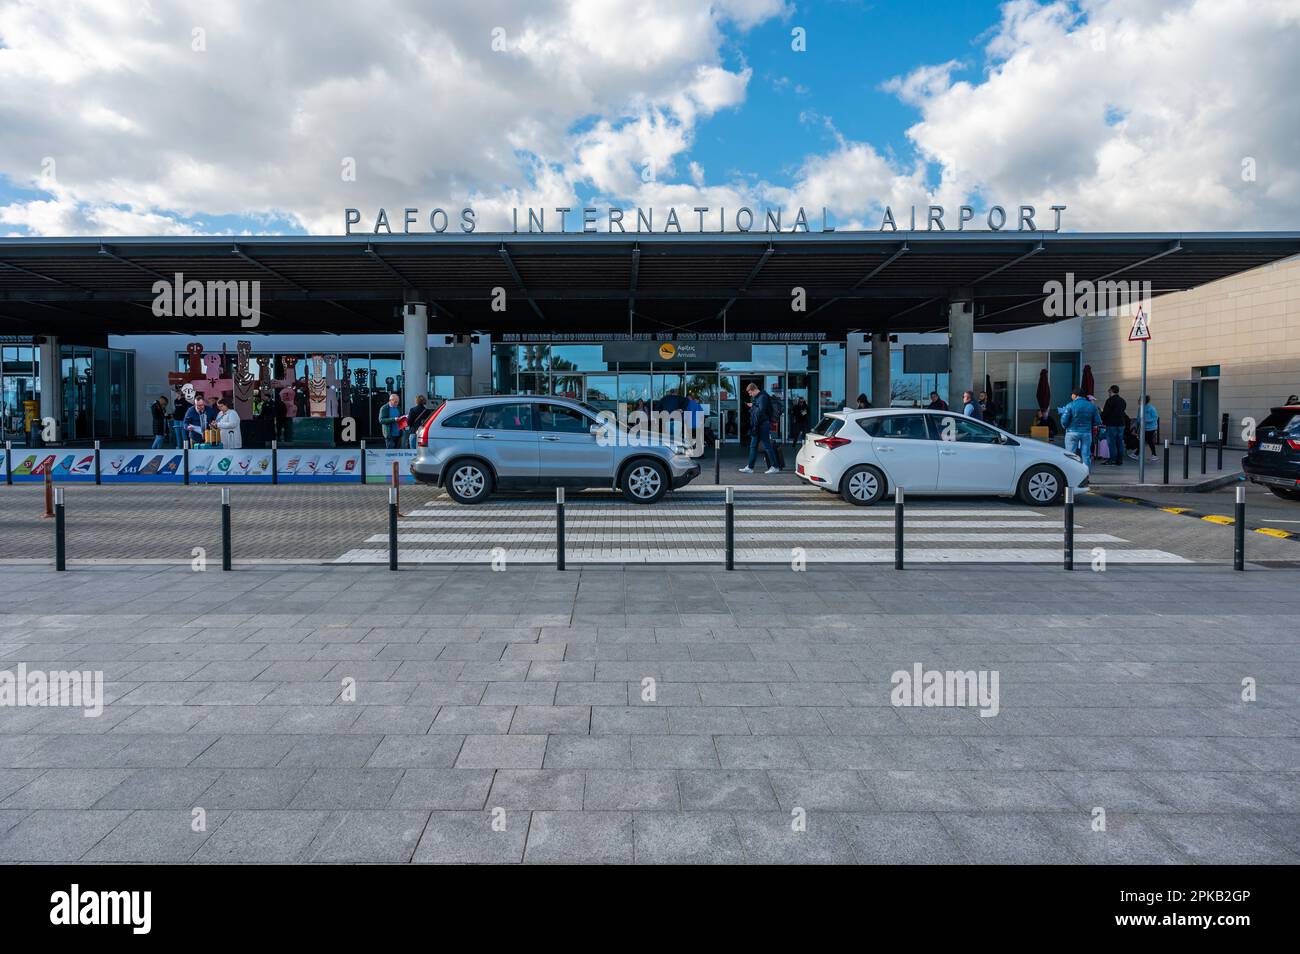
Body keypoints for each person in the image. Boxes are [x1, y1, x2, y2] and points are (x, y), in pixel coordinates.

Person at [738, 381, 779, 474]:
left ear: (754, 389)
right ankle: (750, 467)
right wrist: (753, 405)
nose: (750, 394)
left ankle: (775, 466)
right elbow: (758, 409)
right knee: (753, 446)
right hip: (756, 426)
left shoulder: (763, 397)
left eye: (750, 392)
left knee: (767, 446)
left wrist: (753, 406)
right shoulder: (758, 398)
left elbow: (761, 411)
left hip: (763, 425)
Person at [1060, 387, 1101, 465]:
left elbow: (1064, 421)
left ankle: (1071, 472)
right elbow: (1098, 421)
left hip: (1071, 432)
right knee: (1086, 455)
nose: (1071, 396)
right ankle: (1086, 473)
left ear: (1075, 395)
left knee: (1070, 454)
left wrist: (1065, 426)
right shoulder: (1092, 406)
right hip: (1086, 433)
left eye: (1072, 394)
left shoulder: (1070, 405)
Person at [1099, 385, 1127, 465]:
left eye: (1109, 391)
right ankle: (1119, 460)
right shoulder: (1122, 400)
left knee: (1112, 443)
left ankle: (1112, 460)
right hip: (1121, 424)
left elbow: (1106, 413)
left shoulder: (1109, 400)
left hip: (1112, 424)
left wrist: (1101, 417)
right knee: (1119, 442)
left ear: (1111, 391)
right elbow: (1123, 410)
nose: (1108, 392)